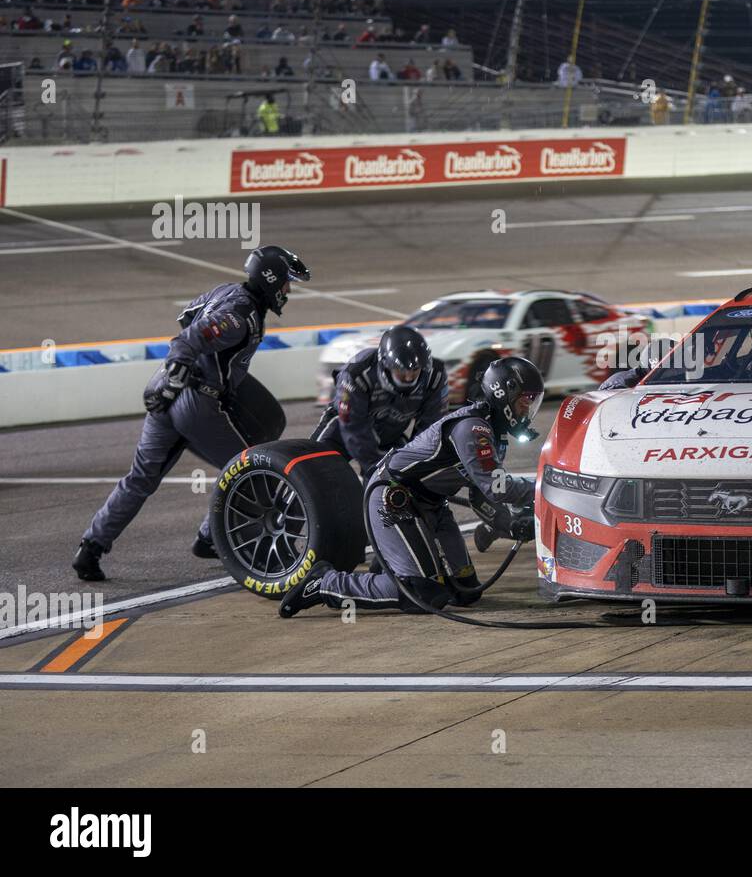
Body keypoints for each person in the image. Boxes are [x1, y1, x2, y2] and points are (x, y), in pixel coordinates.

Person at [73, 247, 311, 581]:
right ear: (271, 280)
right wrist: (186, 374)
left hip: (168, 397)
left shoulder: (227, 291)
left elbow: (188, 315)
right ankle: (226, 540)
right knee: (250, 471)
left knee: (140, 478)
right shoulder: (240, 316)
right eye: (286, 283)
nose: (288, 291)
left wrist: (180, 377)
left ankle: (90, 548)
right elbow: (189, 337)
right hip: (196, 403)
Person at [278, 357, 542, 617]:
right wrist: (544, 487)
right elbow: (497, 488)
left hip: (431, 505)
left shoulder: (494, 434)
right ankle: (325, 583)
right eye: (525, 401)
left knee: (466, 591)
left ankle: (391, 567)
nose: (528, 411)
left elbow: (480, 493)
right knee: (423, 595)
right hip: (393, 498)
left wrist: (509, 525)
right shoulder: (473, 428)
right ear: (502, 394)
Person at [312, 326, 448, 479]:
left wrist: (414, 465)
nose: (409, 378)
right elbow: (353, 427)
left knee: (400, 489)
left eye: (415, 371)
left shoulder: (435, 376)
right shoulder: (357, 373)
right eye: (401, 372)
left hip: (390, 435)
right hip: (342, 428)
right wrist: (376, 466)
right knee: (311, 469)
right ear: (385, 366)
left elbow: (431, 428)